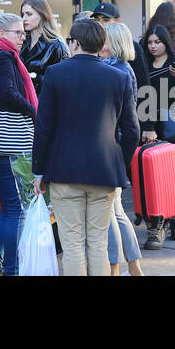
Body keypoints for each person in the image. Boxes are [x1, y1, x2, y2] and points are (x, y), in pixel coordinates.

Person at [32, 19, 137, 277]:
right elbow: (132, 131)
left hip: (64, 170)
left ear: (75, 43)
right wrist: (118, 163)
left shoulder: (55, 74)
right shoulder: (120, 77)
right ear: (101, 45)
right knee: (98, 243)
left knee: (72, 244)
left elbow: (43, 128)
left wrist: (38, 171)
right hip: (104, 172)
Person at [0, 12, 37, 277]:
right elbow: (7, 94)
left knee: (9, 206)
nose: (22, 38)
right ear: (2, 34)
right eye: (18, 33)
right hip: (6, 141)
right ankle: (12, 269)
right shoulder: (4, 57)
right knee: (16, 208)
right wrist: (34, 111)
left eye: (23, 33)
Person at [131, 23, 175, 248]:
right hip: (151, 123)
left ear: (167, 42)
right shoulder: (143, 64)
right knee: (155, 174)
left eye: (158, 42)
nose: (154, 46)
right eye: (150, 42)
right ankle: (160, 219)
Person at [101, 21, 143, 275]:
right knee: (116, 211)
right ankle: (134, 266)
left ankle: (115, 267)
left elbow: (126, 122)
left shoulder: (116, 70)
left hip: (111, 146)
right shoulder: (121, 68)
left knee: (109, 213)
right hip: (116, 146)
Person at [19, 0, 66, 92]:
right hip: (21, 99)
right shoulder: (21, 41)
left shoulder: (56, 44)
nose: (24, 19)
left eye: (29, 14)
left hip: (43, 101)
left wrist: (35, 77)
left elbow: (63, 79)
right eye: (22, 15)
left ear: (42, 14)